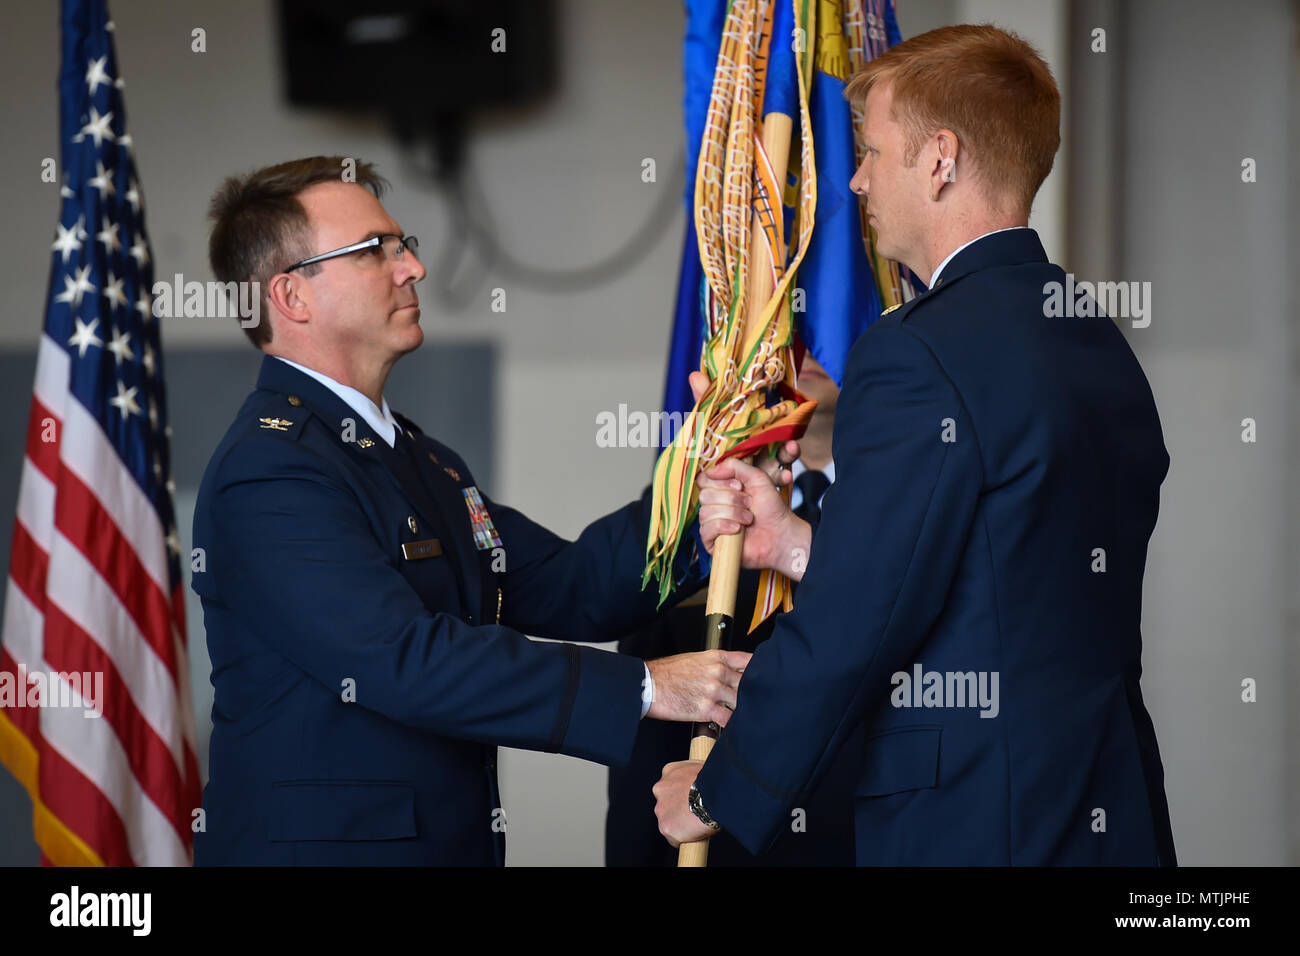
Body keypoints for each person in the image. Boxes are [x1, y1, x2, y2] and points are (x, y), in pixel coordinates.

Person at [655, 25, 1178, 866]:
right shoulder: (1092, 336)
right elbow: (996, 579)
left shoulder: (916, 351)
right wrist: (795, 547)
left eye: (870, 151)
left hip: (978, 817)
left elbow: (858, 623)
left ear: (939, 160)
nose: (855, 179)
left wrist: (722, 785)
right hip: (1104, 807)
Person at [191, 156, 791, 865]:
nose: (412, 266)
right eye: (373, 252)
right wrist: (649, 686)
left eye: (403, 242)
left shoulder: (418, 458)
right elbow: (403, 659)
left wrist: (703, 505)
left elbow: (571, 585)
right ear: (291, 296)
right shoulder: (271, 471)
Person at [605, 354, 862, 865]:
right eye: (790, 334)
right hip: (727, 843)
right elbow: (654, 728)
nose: (806, 352)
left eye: (827, 321)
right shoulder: (704, 502)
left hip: (862, 836)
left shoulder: (908, 498)